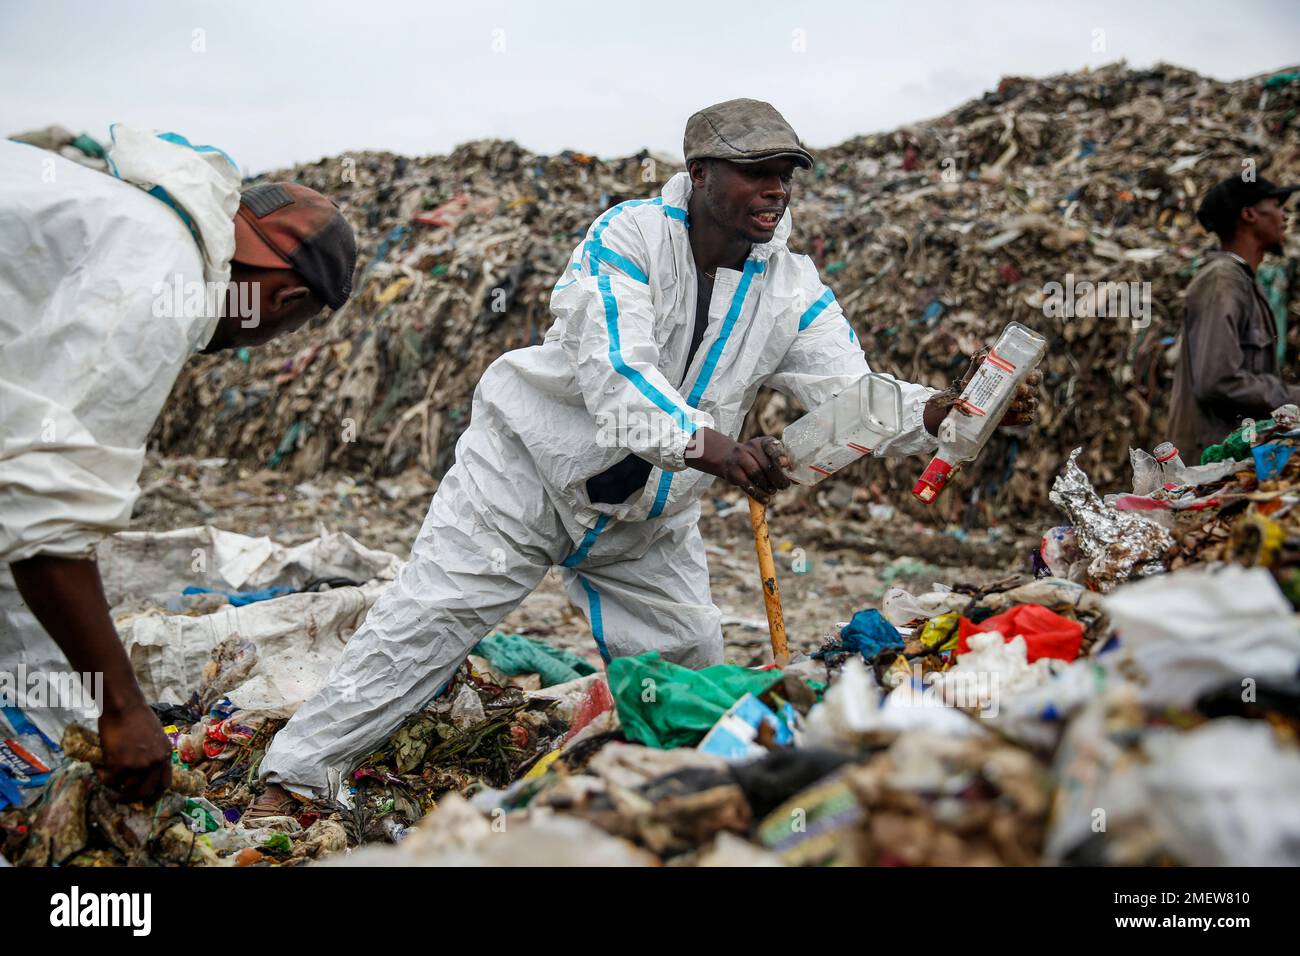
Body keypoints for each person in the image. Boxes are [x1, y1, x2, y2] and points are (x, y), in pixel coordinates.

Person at [250, 99, 1037, 812]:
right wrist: (718, 448)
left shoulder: (791, 285)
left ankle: (663, 808)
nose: (776, 190)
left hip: (647, 520)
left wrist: (939, 411)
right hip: (526, 477)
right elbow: (619, 378)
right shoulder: (625, 238)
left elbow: (847, 394)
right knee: (424, 625)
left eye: (786, 175)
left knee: (690, 675)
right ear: (699, 173)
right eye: (756, 173)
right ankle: (292, 780)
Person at [0, 126, 356, 802]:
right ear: (286, 302)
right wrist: (124, 710)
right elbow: (45, 516)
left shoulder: (120, 219)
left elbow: (16, 508)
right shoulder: (158, 275)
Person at [1170, 173, 1298, 461]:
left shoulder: (1243, 281)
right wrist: (1291, 398)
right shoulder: (1222, 280)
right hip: (1210, 463)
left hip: (1232, 457)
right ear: (1249, 214)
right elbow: (1219, 380)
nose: (1284, 217)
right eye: (1277, 206)